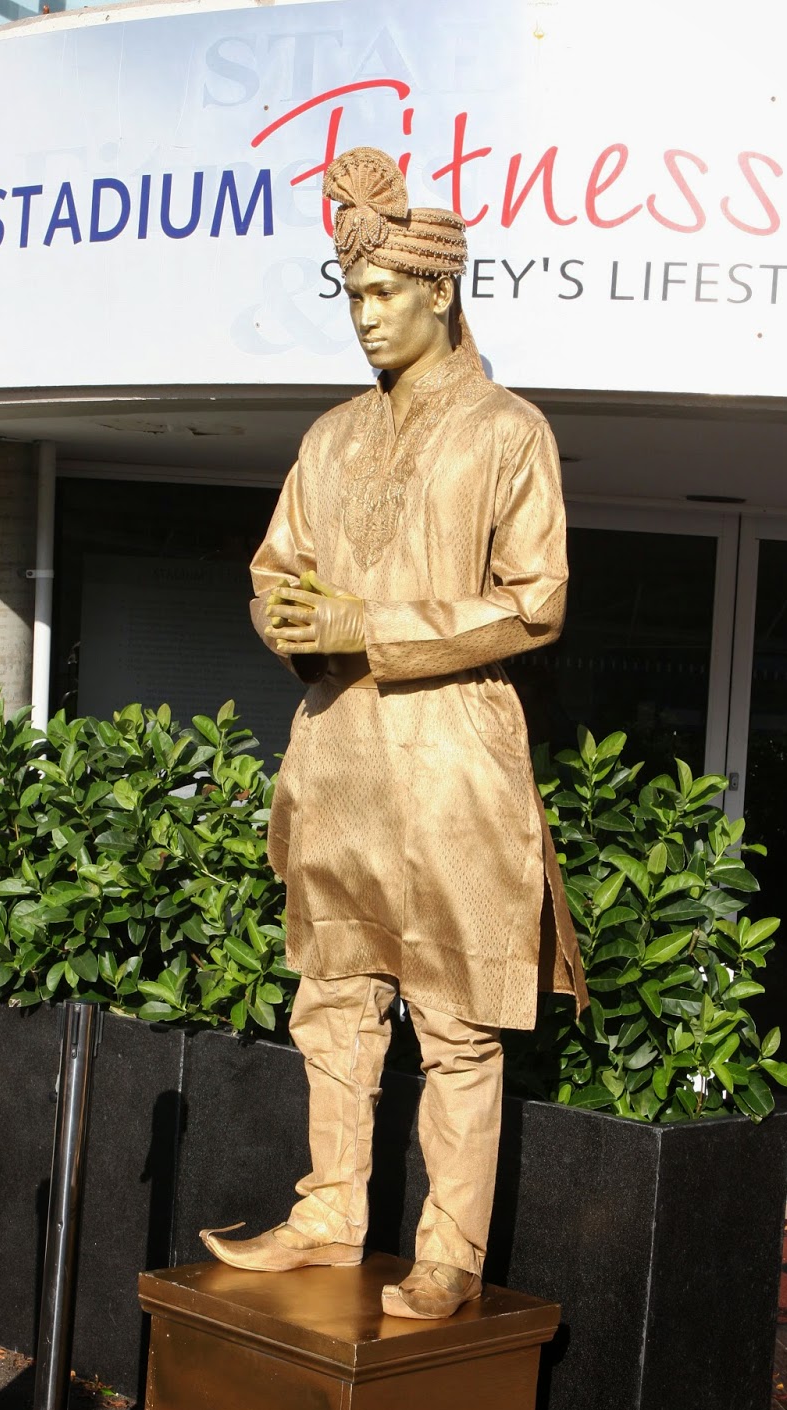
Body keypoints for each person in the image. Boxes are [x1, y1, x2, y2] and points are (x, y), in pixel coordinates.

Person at [201, 146, 587, 1320]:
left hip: (455, 760)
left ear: (438, 292)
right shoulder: (327, 438)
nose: (363, 318)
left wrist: (375, 624)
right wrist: (286, 617)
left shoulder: (506, 431)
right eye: (349, 293)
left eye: (381, 294)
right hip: (339, 754)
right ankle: (329, 1212)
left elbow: (536, 600)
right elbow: (276, 568)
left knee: (456, 1022)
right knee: (330, 998)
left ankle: (449, 1252)